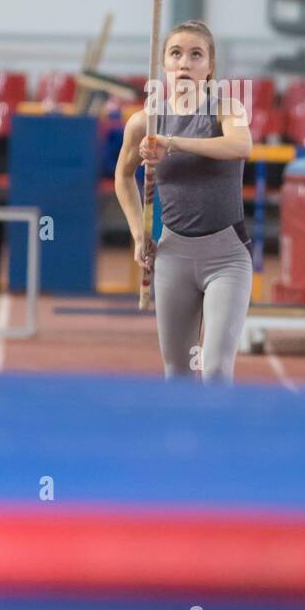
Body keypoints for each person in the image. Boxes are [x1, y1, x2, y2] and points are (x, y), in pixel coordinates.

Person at [114, 20, 253, 383]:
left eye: (196, 55)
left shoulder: (227, 110)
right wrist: (139, 234)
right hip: (172, 255)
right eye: (176, 54)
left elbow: (241, 146)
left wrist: (173, 142)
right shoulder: (144, 122)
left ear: (209, 67)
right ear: (164, 64)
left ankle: (219, 439)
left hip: (227, 256)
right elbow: (122, 177)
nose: (185, 63)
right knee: (177, 373)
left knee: (217, 370)